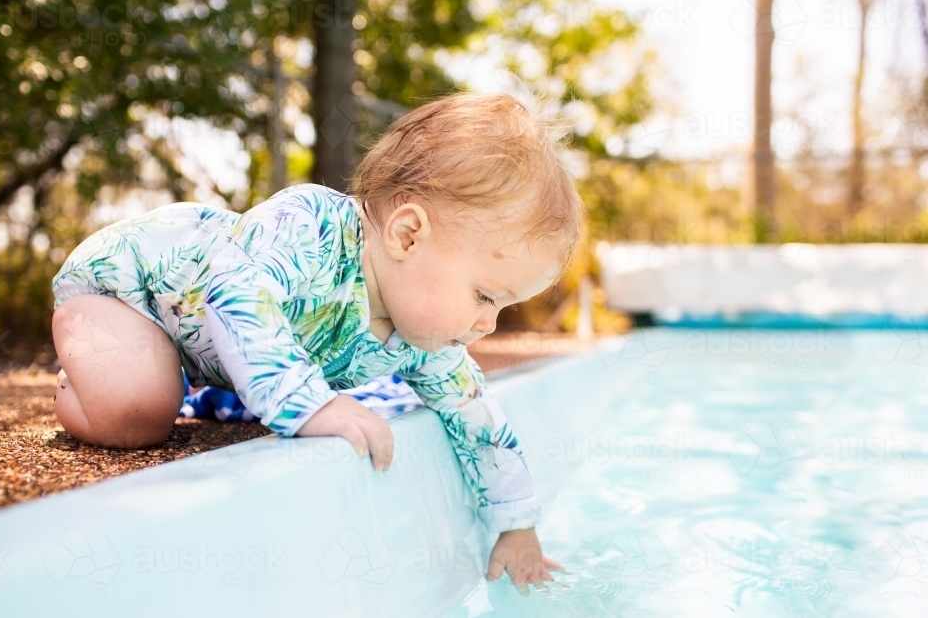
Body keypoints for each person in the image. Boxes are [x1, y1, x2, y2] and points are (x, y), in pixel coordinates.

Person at [50, 92, 582, 587]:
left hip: (191, 341)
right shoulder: (310, 227)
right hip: (127, 294)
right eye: (486, 296)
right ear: (407, 236)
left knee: (171, 388)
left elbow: (474, 414)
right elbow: (235, 292)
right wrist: (307, 404)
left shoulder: (426, 337)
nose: (490, 325)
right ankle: (78, 378)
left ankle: (169, 375)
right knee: (139, 411)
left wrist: (516, 524)